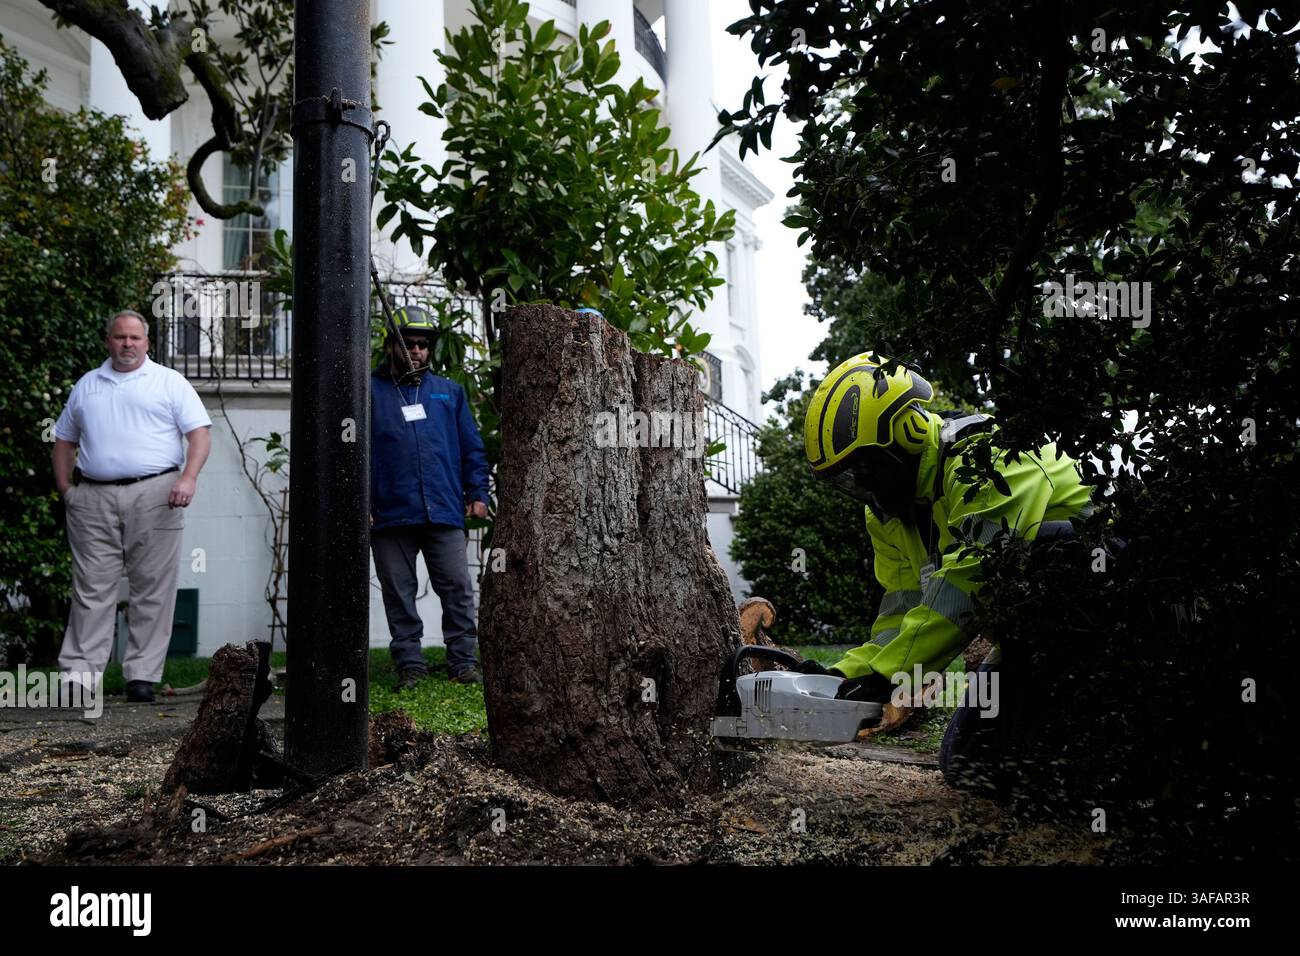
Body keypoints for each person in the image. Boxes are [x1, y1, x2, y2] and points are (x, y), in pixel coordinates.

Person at [798, 352, 1093, 793]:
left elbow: (972, 575)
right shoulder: (886, 516)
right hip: (1031, 640)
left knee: (1050, 549)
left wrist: (886, 678)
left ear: (909, 431)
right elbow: (902, 613)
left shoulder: (990, 454)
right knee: (970, 763)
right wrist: (841, 678)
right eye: (850, 480)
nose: (865, 488)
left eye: (867, 470)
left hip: (1110, 594)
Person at [53, 310, 213, 703]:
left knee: (152, 588)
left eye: (135, 338)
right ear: (108, 341)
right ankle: (80, 676)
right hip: (92, 496)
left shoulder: (169, 382)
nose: (128, 344)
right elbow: (63, 440)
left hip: (156, 493)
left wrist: (188, 478)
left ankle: (142, 675)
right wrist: (65, 490)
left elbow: (200, 435)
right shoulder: (88, 385)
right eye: (120, 337)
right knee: (91, 587)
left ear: (147, 343)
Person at [370, 305, 491, 689]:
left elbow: (472, 449)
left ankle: (462, 663)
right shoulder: (369, 391)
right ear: (392, 344)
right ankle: (411, 665)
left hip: (443, 509)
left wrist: (477, 492)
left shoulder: (448, 393)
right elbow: (355, 453)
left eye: (424, 344)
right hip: (389, 513)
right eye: (409, 342)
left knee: (457, 586)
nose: (417, 351)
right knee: (399, 593)